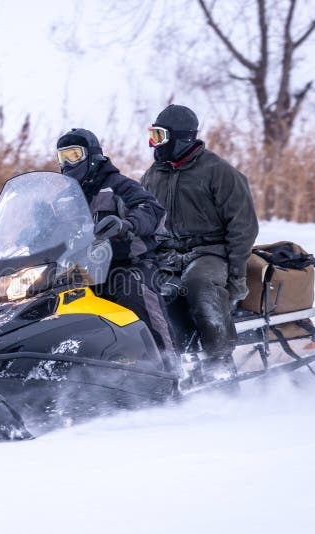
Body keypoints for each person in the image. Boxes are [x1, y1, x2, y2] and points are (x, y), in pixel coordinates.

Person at [140, 105, 259, 380]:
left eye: (159, 136)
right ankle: (159, 366)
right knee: (141, 289)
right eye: (152, 136)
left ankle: (220, 363)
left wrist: (237, 276)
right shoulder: (153, 175)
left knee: (199, 285)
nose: (154, 144)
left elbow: (244, 226)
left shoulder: (219, 172)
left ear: (181, 138)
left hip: (209, 252)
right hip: (168, 254)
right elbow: (143, 217)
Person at [56, 128, 178, 374]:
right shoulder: (64, 197)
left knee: (133, 290)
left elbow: (152, 210)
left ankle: (169, 367)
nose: (68, 163)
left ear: (92, 156)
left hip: (129, 262)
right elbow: (48, 229)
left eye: (74, 155)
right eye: (63, 157)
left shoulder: (118, 186)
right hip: (83, 269)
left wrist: (127, 224)